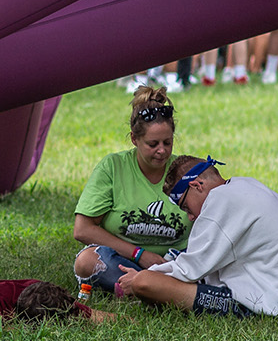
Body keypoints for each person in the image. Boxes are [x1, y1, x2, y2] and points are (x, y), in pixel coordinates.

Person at [116, 155, 278, 318]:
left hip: (271, 303)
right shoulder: (246, 184)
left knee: (146, 283)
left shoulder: (218, 201)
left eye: (186, 207)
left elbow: (189, 271)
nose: (190, 217)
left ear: (197, 186)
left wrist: (138, 278)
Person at [71, 86, 194, 294]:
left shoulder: (186, 170)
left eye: (168, 142)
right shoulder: (112, 167)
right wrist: (139, 254)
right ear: (134, 139)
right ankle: (158, 289)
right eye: (153, 144)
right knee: (87, 262)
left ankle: (143, 287)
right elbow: (82, 229)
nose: (162, 150)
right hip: (124, 262)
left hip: (177, 264)